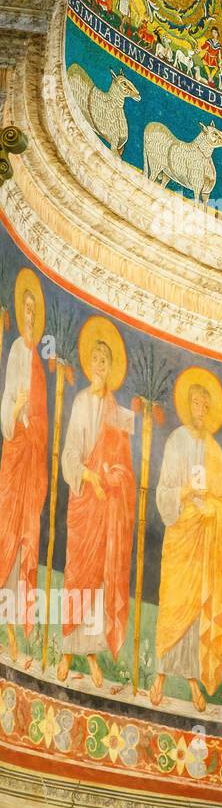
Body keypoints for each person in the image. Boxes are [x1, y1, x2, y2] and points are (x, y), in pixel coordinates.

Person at [152, 372, 222, 712]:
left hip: (204, 537)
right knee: (173, 602)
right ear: (187, 406)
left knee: (197, 607)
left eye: (206, 404)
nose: (200, 409)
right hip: (181, 533)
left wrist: (214, 510)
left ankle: (190, 680)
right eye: (196, 403)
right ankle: (159, 675)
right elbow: (163, 491)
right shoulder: (176, 440)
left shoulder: (215, 451)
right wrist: (186, 494)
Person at [59, 322, 136, 687]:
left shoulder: (119, 414)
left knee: (99, 580)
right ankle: (67, 651)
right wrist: (90, 478)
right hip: (85, 502)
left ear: (112, 369)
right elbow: (70, 452)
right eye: (96, 359)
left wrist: (113, 477)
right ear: (89, 366)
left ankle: (91, 655)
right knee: (77, 574)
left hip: (106, 510)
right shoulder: (78, 402)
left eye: (105, 361)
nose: (100, 366)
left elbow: (126, 466)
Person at [0, 275, 47, 667]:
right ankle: (10, 636)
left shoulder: (40, 363)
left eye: (35, 310)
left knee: (27, 542)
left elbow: (44, 422)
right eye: (25, 308)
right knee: (7, 535)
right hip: (15, 456)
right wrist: (18, 415)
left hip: (32, 462)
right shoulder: (17, 349)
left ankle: (17, 630)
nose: (29, 314)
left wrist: (36, 427)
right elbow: (7, 411)